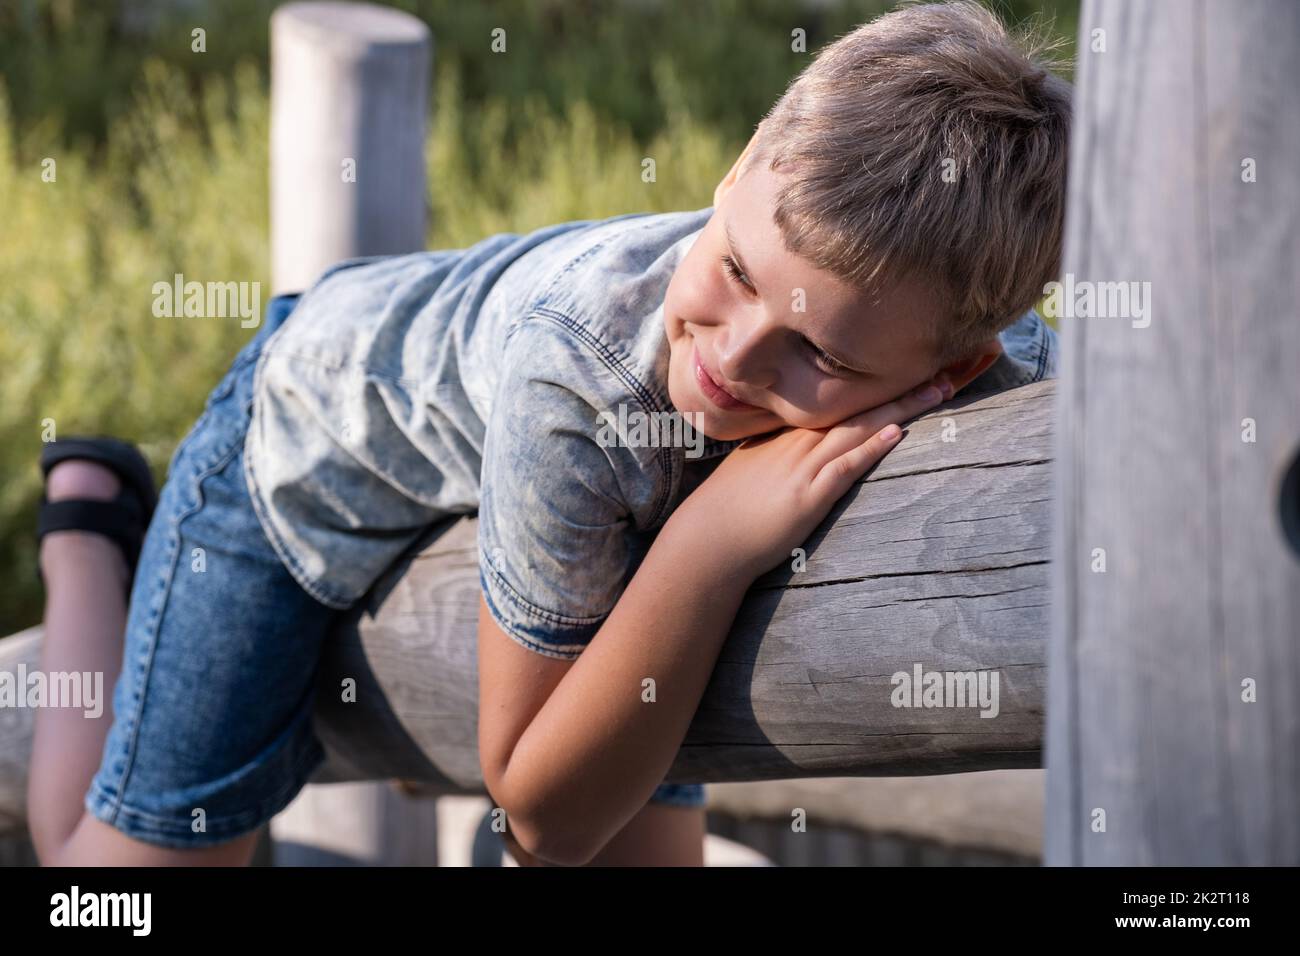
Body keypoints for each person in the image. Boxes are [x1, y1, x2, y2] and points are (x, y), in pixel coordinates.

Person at [28, 0, 1067, 866]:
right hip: (296, 450)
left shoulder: (970, 337)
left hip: (580, 507)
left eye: (822, 358)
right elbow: (539, 808)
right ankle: (88, 529)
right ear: (739, 166)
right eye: (738, 271)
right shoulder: (579, 384)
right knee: (130, 873)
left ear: (952, 367)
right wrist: (709, 544)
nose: (734, 359)